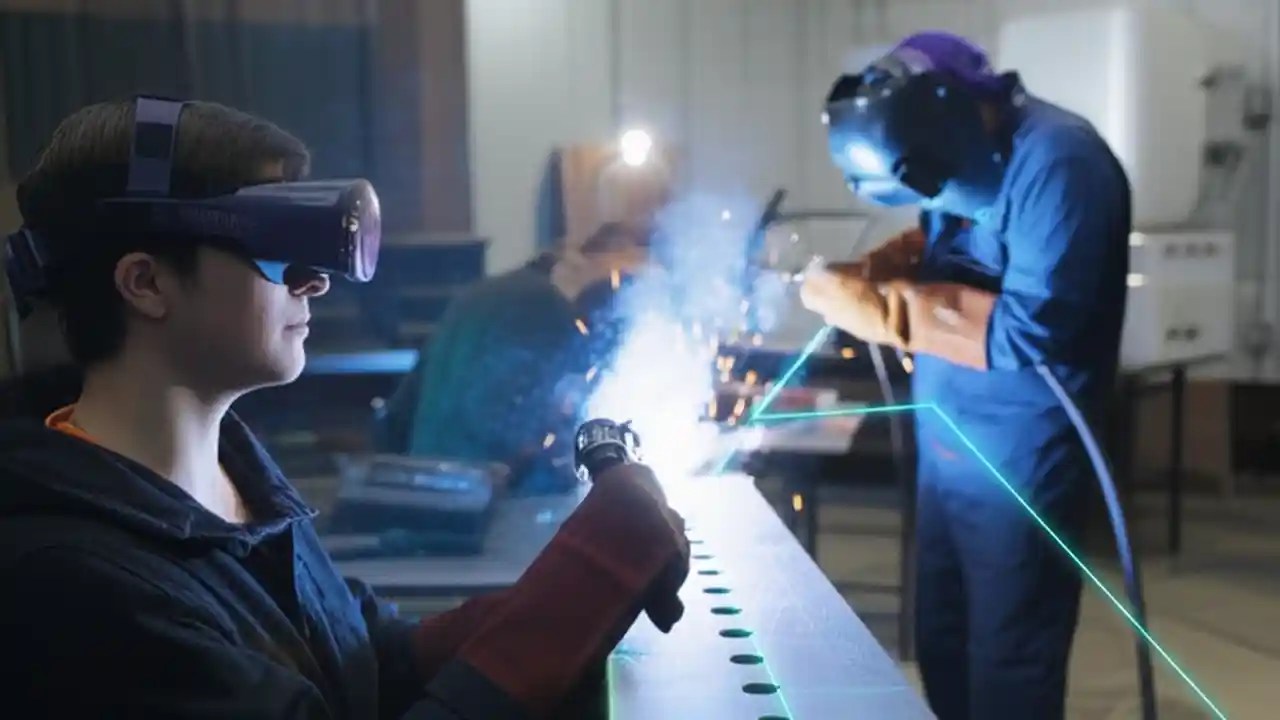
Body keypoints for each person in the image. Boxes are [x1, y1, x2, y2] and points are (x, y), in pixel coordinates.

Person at [0, 98, 689, 719]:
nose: (314, 280)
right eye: (273, 247)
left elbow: (366, 662)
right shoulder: (74, 587)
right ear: (145, 282)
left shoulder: (237, 485)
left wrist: (555, 597)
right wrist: (591, 575)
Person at [800, 32, 1131, 720]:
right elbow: (953, 241)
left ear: (957, 109)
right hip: (947, 446)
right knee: (942, 641)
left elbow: (1034, 330)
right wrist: (888, 264)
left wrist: (883, 308)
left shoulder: (1062, 163)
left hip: (1023, 457)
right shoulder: (952, 152)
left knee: (1008, 660)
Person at [382, 221, 651, 493]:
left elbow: (395, 420)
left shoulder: (477, 295)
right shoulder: (543, 306)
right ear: (581, 264)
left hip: (420, 499)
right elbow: (530, 433)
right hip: (487, 509)